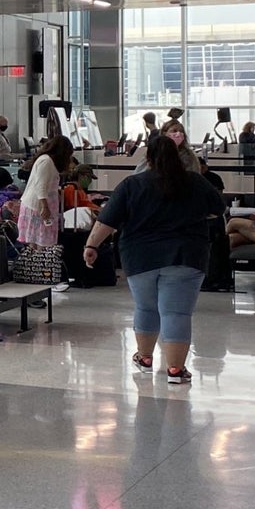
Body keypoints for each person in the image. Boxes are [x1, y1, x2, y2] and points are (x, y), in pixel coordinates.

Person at [82, 133, 225, 386]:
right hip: (186, 256)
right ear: (178, 156)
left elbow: (107, 220)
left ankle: (145, 358)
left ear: (147, 157)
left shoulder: (132, 184)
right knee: (177, 313)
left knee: (146, 308)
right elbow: (218, 208)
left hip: (140, 257)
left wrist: (92, 245)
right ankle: (175, 370)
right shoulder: (195, 182)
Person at [19, 137, 70, 269]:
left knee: (35, 241)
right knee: (42, 240)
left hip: (38, 205)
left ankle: (35, 270)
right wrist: (44, 206)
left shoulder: (46, 161)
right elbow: (40, 185)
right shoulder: (46, 162)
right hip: (38, 206)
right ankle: (42, 270)